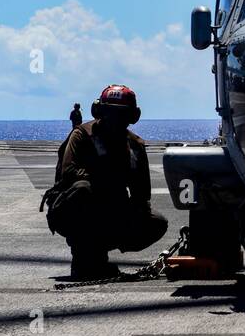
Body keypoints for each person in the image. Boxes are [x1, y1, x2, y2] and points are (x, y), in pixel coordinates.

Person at [40, 84, 168, 280]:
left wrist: (127, 213)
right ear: (99, 112)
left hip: (112, 209)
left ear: (132, 116)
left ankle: (97, 252)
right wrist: (107, 185)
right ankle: (84, 254)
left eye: (121, 114)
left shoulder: (135, 146)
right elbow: (69, 172)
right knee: (83, 190)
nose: (114, 120)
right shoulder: (82, 135)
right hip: (73, 209)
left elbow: (141, 196)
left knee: (156, 223)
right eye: (110, 113)